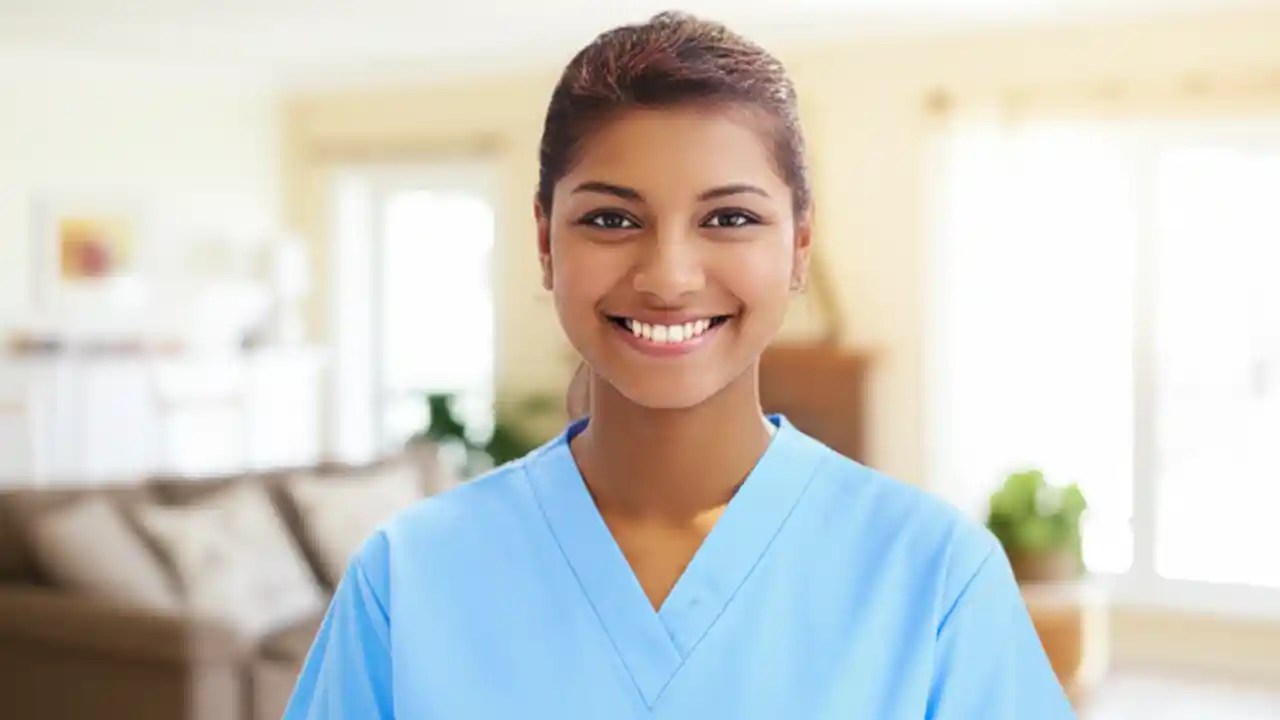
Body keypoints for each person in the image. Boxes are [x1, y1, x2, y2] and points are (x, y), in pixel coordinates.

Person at [284, 12, 1074, 719]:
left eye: (729, 218)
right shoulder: (409, 579)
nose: (668, 275)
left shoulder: (932, 576)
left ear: (799, 245)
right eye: (610, 218)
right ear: (544, 244)